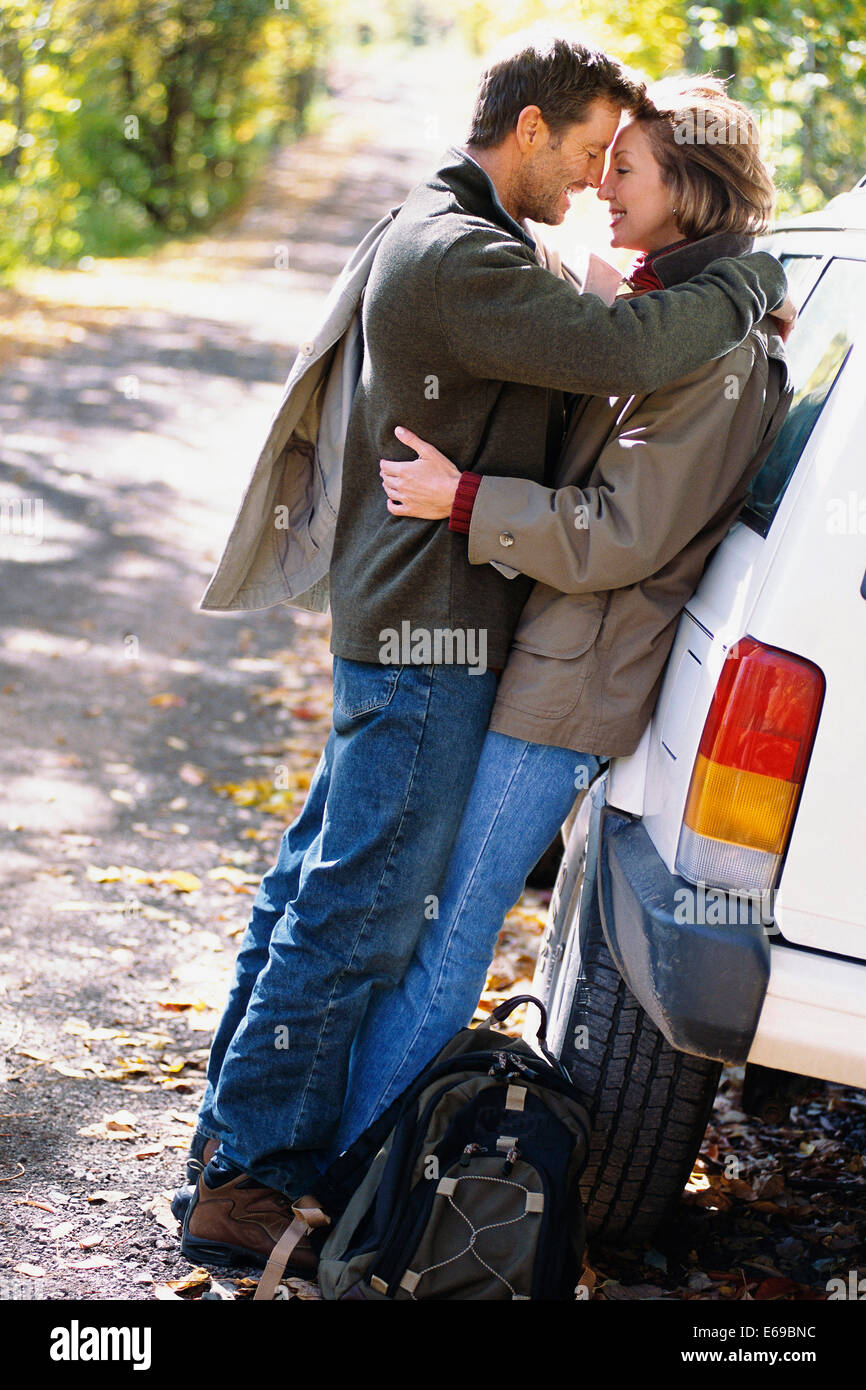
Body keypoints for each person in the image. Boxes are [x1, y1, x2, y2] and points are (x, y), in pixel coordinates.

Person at [178, 37, 789, 1273]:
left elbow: (613, 396)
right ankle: (256, 1178)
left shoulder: (471, 237)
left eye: (620, 165)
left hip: (444, 633)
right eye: (581, 154)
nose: (588, 183)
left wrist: (705, 297)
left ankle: (237, 1155)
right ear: (523, 129)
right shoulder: (459, 254)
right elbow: (618, 362)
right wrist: (737, 284)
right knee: (358, 906)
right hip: (423, 637)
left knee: (325, 886)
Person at [332, 75, 793, 1156]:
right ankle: (334, 1156)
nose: (601, 188)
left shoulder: (722, 353)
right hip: (539, 656)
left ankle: (345, 1184)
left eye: (623, 168)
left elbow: (622, 532)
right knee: (423, 922)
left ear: (688, 180)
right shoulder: (674, 314)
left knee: (449, 936)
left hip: (569, 683)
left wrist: (464, 503)